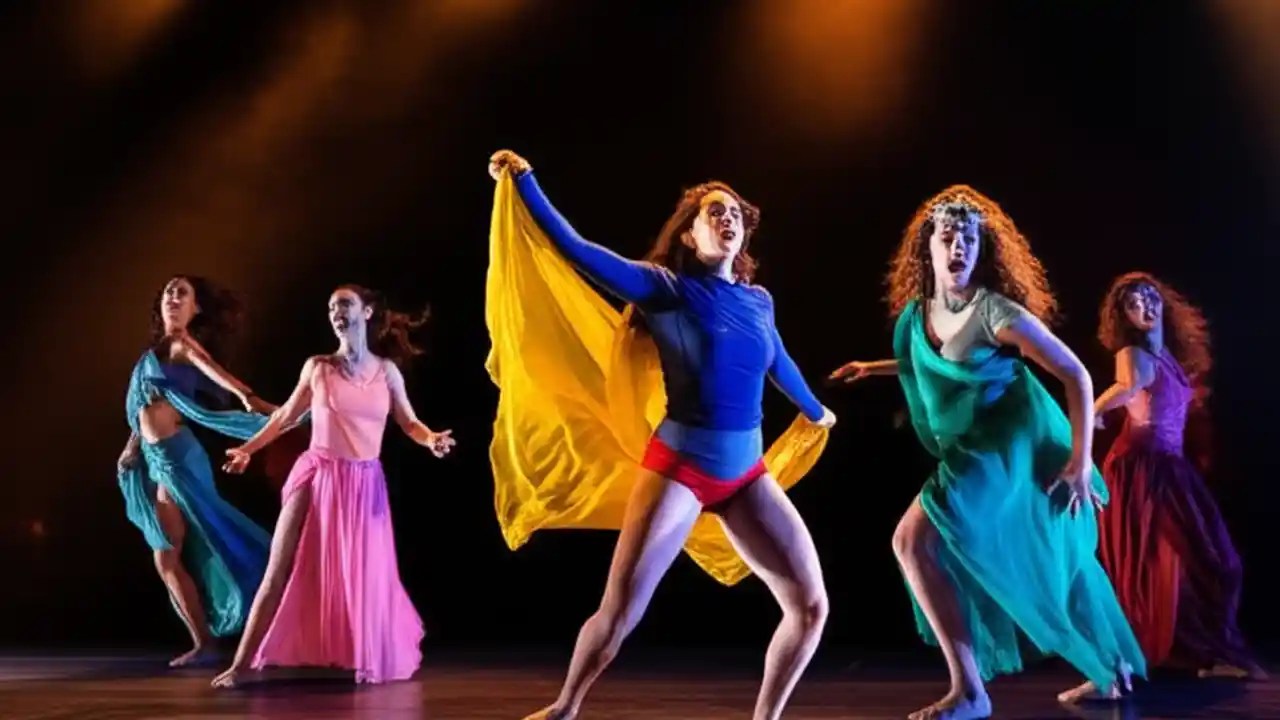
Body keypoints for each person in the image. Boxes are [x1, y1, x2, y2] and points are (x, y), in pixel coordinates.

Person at [487, 150, 836, 720]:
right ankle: (565, 707)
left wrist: (815, 410)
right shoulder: (665, 288)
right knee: (620, 613)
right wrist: (526, 183)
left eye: (734, 214)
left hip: (746, 477)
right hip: (680, 469)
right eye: (713, 212)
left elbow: (778, 361)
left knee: (811, 607)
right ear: (690, 234)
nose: (727, 219)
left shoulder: (758, 301)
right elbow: (577, 249)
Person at [830, 186, 1145, 718]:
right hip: (977, 446)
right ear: (927, 248)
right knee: (1040, 553)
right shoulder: (919, 314)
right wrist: (873, 367)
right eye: (948, 237)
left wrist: (1079, 462)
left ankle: (971, 692)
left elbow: (1076, 374)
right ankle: (1109, 669)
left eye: (969, 239)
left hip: (1009, 443)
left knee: (912, 540)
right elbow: (932, 360)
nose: (959, 247)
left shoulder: (996, 311)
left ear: (981, 250)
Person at [209, 285, 455, 688]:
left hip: (364, 484)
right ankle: (239, 666)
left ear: (367, 312)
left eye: (344, 304)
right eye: (330, 307)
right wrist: (247, 450)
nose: (336, 312)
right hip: (318, 473)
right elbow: (285, 417)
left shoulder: (386, 372)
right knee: (277, 569)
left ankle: (363, 655)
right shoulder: (319, 368)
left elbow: (409, 422)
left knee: (366, 578)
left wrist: (431, 439)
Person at [1093, 271, 1264, 680]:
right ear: (1124, 316)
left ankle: (1201, 653)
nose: (1145, 306)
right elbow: (1126, 385)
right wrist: (1094, 409)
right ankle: (1154, 654)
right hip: (1142, 467)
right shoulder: (1132, 354)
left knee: (1197, 565)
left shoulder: (1166, 354)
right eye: (1133, 304)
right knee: (1185, 562)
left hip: (1169, 465)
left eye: (1149, 296)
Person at [117, 274, 279, 667]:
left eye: (183, 293)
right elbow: (146, 408)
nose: (173, 297)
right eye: (169, 291)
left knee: (211, 534)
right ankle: (204, 643)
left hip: (179, 457)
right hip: (157, 460)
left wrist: (247, 397)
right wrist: (132, 446)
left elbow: (211, 368)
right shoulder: (154, 353)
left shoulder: (181, 343)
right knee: (167, 557)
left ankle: (274, 598)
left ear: (195, 309)